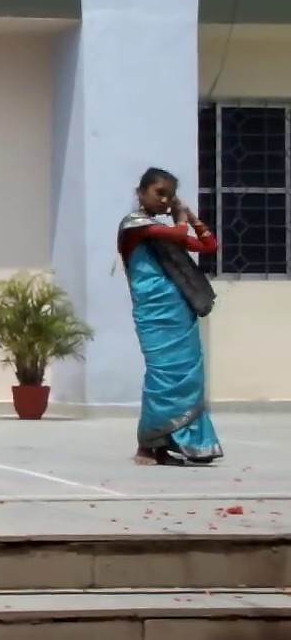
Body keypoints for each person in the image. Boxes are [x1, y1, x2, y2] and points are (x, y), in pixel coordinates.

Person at [117, 167, 222, 466]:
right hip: (153, 309)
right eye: (159, 193)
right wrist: (181, 219)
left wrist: (190, 217)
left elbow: (209, 246)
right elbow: (177, 233)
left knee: (189, 373)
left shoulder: (160, 232)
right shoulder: (134, 225)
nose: (164, 200)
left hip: (178, 308)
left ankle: (175, 443)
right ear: (140, 193)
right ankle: (148, 446)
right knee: (162, 374)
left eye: (170, 195)